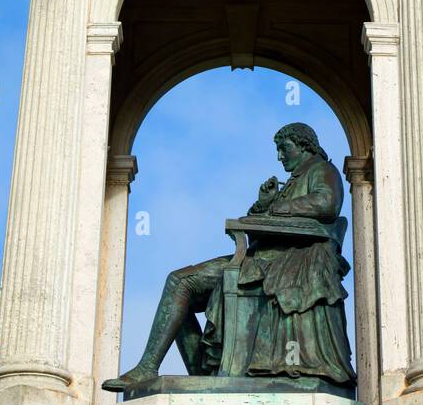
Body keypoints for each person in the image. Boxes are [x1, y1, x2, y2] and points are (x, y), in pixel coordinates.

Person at [102, 122, 355, 391]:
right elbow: (267, 218)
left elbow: (327, 204)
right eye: (278, 150)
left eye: (284, 148)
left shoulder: (322, 170)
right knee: (179, 281)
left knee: (181, 283)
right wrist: (263, 203)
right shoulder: (294, 179)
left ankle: (174, 368)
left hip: (285, 261)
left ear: (304, 145)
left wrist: (277, 206)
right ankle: (174, 369)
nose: (280, 156)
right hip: (263, 257)